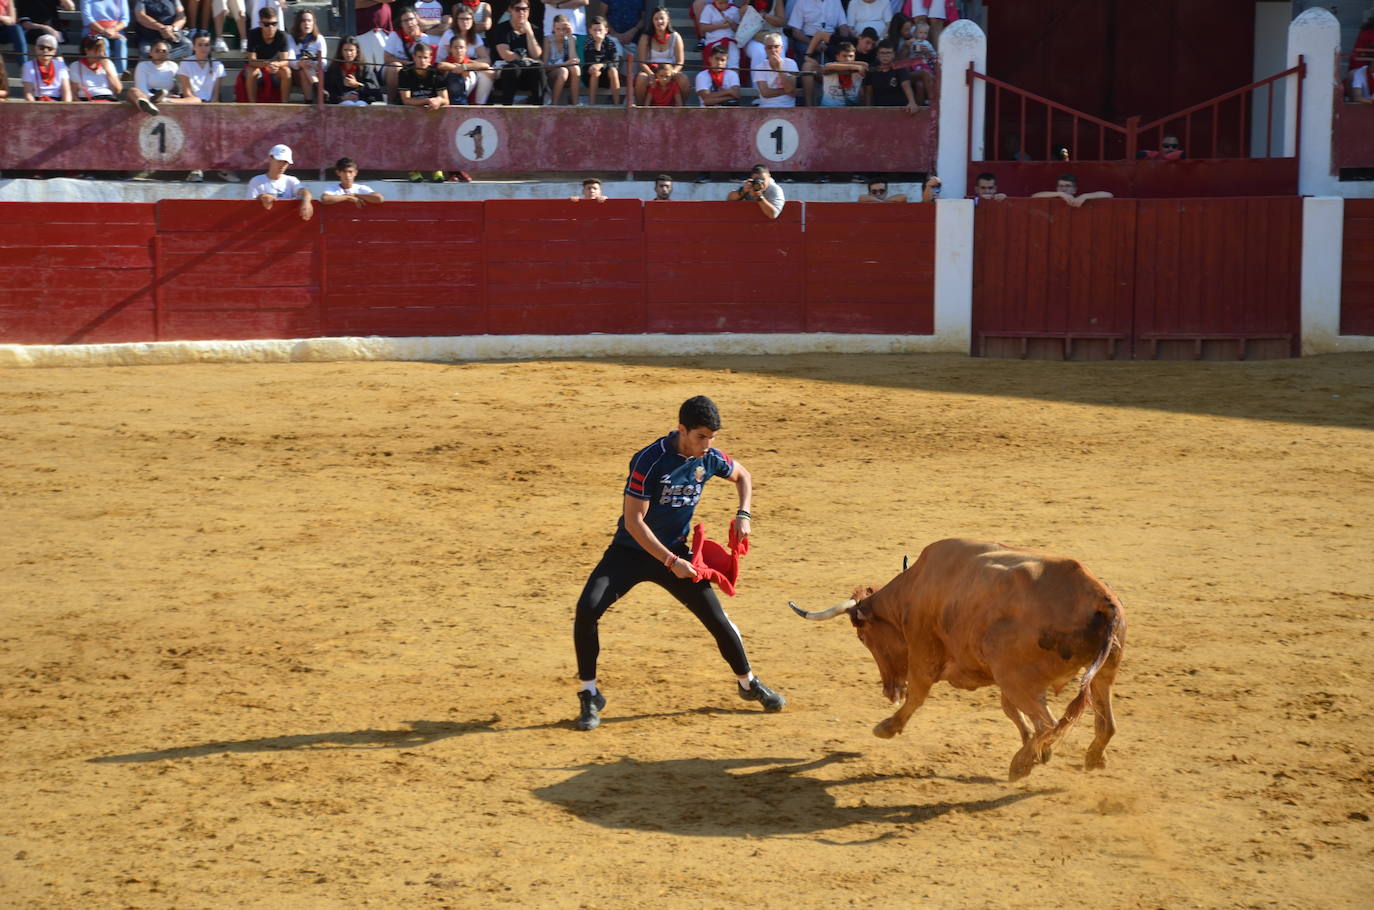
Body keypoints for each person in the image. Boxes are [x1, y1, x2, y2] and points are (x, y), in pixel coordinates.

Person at [570, 395, 785, 732]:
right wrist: (671, 562)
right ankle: (590, 694)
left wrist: (744, 513)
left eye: (712, 437)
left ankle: (748, 683)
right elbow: (634, 523)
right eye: (700, 437)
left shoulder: (709, 458)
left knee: (717, 619)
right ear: (681, 430)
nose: (707, 445)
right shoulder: (649, 460)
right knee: (587, 609)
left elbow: (743, 475)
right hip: (630, 552)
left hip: (675, 552)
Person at [71, 34, 159, 112]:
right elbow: (73, 93)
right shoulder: (76, 66)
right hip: (88, 101)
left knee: (133, 91)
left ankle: (146, 104)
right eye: (97, 51)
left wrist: (107, 69)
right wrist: (83, 108)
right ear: (86, 50)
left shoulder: (108, 64)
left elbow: (118, 89)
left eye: (102, 51)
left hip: (108, 100)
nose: (101, 54)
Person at [488, 1, 543, 105]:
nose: (521, 12)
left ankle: (538, 105)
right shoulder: (502, 28)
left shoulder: (535, 29)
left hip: (528, 73)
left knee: (538, 67)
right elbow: (505, 55)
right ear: (510, 10)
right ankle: (507, 106)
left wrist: (529, 33)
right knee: (512, 68)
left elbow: (536, 55)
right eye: (518, 9)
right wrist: (523, 59)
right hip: (507, 72)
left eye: (524, 9)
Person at [384, 7, 441, 103]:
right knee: (395, 67)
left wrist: (417, 40)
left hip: (415, 68)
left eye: (411, 19)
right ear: (401, 23)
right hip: (394, 69)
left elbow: (425, 58)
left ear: (416, 20)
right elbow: (387, 58)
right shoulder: (394, 36)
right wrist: (406, 63)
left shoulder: (424, 38)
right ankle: (391, 102)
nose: (409, 23)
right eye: (405, 21)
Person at [634, 7, 687, 107]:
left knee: (683, 79)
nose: (659, 21)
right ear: (652, 21)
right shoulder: (645, 37)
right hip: (651, 70)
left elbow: (680, 61)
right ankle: (641, 109)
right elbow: (642, 62)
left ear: (668, 20)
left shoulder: (675, 36)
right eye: (656, 19)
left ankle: (681, 108)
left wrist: (673, 72)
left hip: (669, 71)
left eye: (662, 18)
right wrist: (651, 74)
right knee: (641, 78)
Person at [247, 143, 313, 220]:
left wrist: (306, 202)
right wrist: (261, 197)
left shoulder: (291, 180)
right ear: (270, 159)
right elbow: (249, 206)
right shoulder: (256, 181)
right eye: (279, 161)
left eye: (285, 162)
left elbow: (305, 192)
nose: (282, 165)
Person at [242, 6, 290, 102]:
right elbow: (251, 61)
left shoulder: (282, 36)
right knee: (251, 71)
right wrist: (267, 64)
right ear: (260, 24)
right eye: (267, 24)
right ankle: (252, 105)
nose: (271, 27)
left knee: (286, 71)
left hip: (275, 69)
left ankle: (285, 104)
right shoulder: (253, 34)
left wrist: (276, 64)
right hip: (258, 68)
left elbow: (285, 60)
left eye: (274, 24)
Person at [325, 34, 384, 104]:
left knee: (360, 104)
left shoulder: (365, 68)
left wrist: (357, 85)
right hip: (341, 103)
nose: (348, 53)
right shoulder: (334, 69)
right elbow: (328, 91)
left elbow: (375, 89)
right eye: (345, 50)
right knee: (348, 103)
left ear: (357, 51)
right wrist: (341, 98)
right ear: (341, 51)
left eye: (351, 50)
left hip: (361, 101)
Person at [436, 33, 493, 104]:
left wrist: (464, 67)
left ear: (466, 49)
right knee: (454, 74)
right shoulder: (447, 60)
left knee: (486, 73)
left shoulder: (467, 61)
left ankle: (480, 104)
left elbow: (485, 65)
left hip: (467, 92)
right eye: (455, 47)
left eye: (461, 47)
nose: (459, 50)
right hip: (451, 97)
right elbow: (441, 65)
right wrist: (458, 68)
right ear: (450, 49)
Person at [861, 39, 915, 112]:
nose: (885, 56)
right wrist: (868, 110)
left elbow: (906, 85)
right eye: (882, 53)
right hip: (880, 109)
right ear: (877, 54)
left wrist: (912, 102)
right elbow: (868, 92)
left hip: (900, 109)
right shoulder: (871, 69)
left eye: (888, 53)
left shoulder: (899, 66)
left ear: (894, 54)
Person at [286, 8, 326, 103]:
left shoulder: (319, 39)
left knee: (305, 69)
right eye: (303, 21)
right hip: (296, 73)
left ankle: (308, 101)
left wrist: (311, 64)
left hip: (315, 72)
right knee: (303, 68)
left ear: (313, 22)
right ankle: (318, 88)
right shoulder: (290, 38)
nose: (307, 24)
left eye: (309, 21)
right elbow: (290, 60)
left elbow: (324, 62)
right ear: (298, 23)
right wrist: (300, 63)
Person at [80, 0, 129, 75]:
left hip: (115, 31)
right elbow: (87, 18)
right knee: (103, 43)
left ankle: (120, 74)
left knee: (121, 42)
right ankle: (105, 72)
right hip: (93, 30)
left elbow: (125, 19)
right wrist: (104, 31)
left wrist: (113, 30)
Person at [750, 30, 796, 108]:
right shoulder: (760, 67)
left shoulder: (791, 63)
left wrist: (779, 68)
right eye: (769, 47)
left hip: (787, 108)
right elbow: (765, 93)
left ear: (781, 48)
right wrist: (786, 91)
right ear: (765, 49)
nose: (773, 50)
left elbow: (790, 88)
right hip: (766, 108)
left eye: (776, 46)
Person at [582, 14, 620, 105]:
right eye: (595, 30)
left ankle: (617, 104)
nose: (597, 33)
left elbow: (615, 62)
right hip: (590, 75)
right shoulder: (588, 43)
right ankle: (592, 104)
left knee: (613, 71)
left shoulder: (610, 43)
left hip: (607, 76)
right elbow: (590, 62)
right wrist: (598, 45)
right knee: (595, 71)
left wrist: (601, 65)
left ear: (606, 31)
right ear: (590, 31)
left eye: (600, 30)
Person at [543, 12, 581, 105]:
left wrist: (570, 37)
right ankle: (554, 104)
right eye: (558, 29)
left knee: (576, 69)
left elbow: (574, 61)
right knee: (563, 71)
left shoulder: (571, 38)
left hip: (567, 76)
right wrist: (564, 64)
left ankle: (575, 103)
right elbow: (545, 67)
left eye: (564, 29)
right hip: (551, 75)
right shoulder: (548, 39)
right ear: (553, 28)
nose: (561, 32)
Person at [22, 31, 71, 99]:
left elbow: (66, 91)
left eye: (49, 48)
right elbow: (28, 93)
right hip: (37, 101)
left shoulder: (60, 65)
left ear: (54, 52)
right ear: (36, 49)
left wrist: (65, 105)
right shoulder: (28, 66)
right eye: (41, 48)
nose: (45, 51)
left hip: (57, 102)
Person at [321, 157, 386, 207]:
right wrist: (348, 197)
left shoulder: (361, 188)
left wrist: (355, 195)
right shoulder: (333, 188)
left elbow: (379, 198)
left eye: (350, 172)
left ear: (355, 173)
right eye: (344, 172)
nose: (347, 175)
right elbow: (325, 199)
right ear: (338, 173)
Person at [818, 39, 864, 106]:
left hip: (850, 109)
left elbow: (865, 65)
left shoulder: (859, 68)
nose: (848, 59)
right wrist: (853, 67)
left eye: (851, 56)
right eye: (844, 56)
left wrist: (855, 66)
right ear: (837, 57)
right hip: (829, 109)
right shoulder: (830, 66)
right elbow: (827, 67)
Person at [694, 40, 738, 106]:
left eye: (723, 60)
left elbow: (736, 94)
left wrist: (712, 98)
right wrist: (729, 92)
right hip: (707, 111)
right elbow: (706, 99)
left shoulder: (732, 74)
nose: (719, 63)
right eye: (717, 59)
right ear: (710, 59)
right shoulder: (702, 76)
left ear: (726, 61)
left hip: (728, 111)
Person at [1032, 173, 1113, 208]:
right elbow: (1035, 196)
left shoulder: (1079, 198)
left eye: (1068, 186)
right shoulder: (1054, 196)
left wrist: (1085, 196)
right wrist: (1060, 194)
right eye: (1060, 186)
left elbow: (1109, 195)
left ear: (1074, 190)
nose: (1063, 189)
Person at [906, 16, 934, 105]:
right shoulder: (914, 41)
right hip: (914, 65)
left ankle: (930, 99)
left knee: (925, 80)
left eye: (925, 33)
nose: (923, 35)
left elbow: (933, 54)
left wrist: (928, 52)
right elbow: (912, 50)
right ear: (915, 33)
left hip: (925, 65)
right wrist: (918, 48)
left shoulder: (927, 44)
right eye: (920, 32)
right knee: (920, 80)